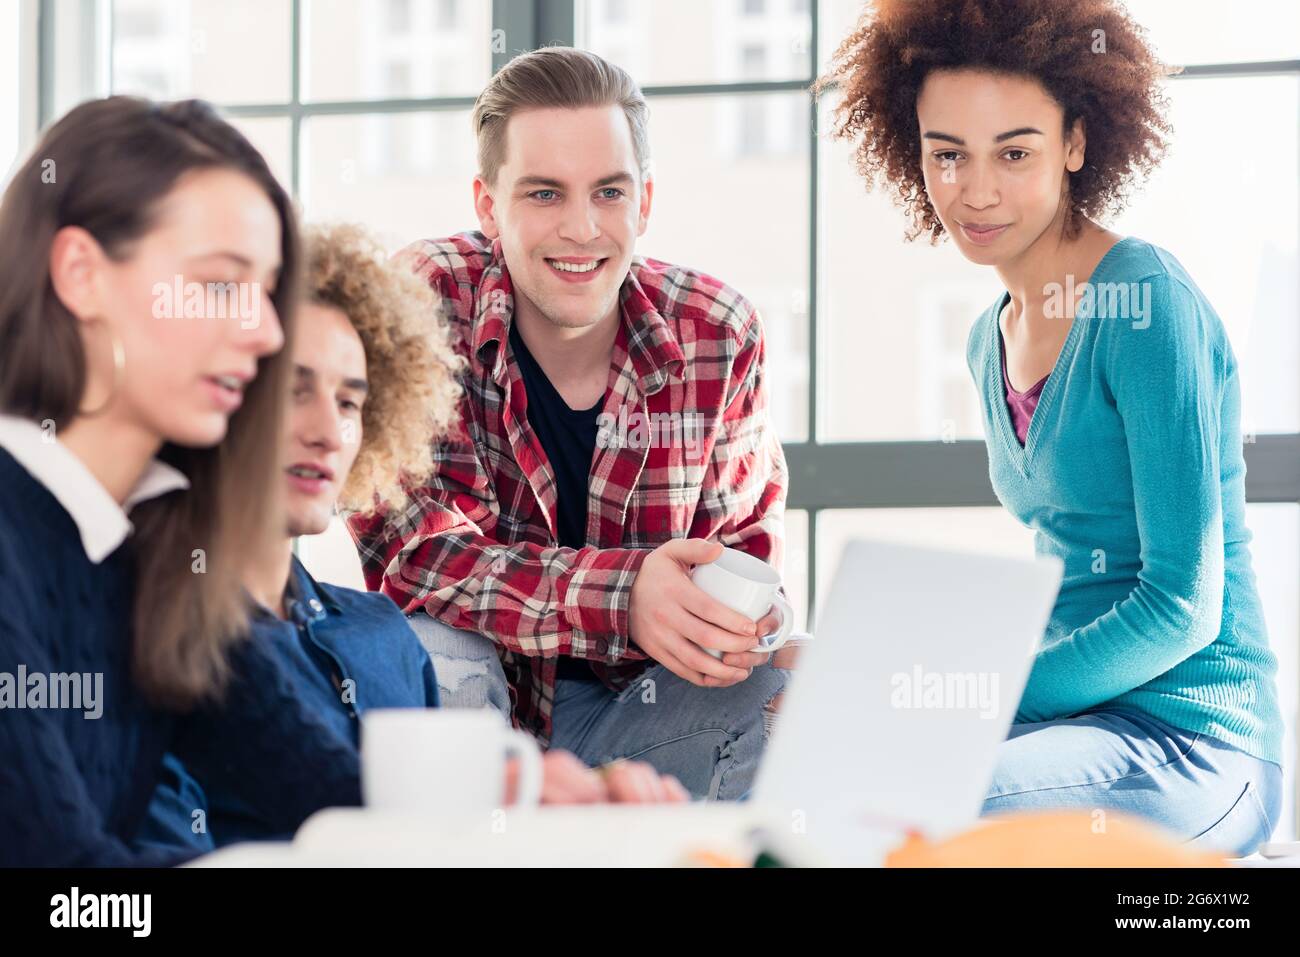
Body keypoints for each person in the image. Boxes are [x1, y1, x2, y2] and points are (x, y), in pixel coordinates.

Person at [817, 0, 1283, 854]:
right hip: (1074, 726)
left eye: (1016, 152)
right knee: (848, 778)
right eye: (946, 154)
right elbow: (1068, 578)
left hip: (1195, 747)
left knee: (925, 810)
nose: (977, 190)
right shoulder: (984, 337)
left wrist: (988, 693)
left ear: (1075, 144)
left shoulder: (1142, 304)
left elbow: (1182, 605)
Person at [137, 223, 691, 854]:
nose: (327, 430)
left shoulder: (381, 638)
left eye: (350, 402)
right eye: (292, 391)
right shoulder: (144, 627)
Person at [347, 48, 793, 800]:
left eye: (608, 193)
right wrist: (623, 598)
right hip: (476, 717)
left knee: (789, 692)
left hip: (632, 715)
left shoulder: (717, 331)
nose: (582, 229)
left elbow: (745, 553)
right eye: (545, 194)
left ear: (644, 202)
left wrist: (756, 629)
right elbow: (412, 556)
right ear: (488, 205)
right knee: (433, 647)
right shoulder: (424, 301)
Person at [0, 96, 359, 866]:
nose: (266, 331)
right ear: (81, 274)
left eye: (267, 291)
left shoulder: (150, 534)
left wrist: (518, 801)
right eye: (222, 284)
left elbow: (333, 794)